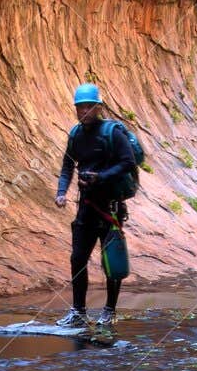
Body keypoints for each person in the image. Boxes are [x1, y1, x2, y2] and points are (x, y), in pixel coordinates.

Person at [54, 83, 137, 329]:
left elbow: (128, 163)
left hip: (111, 209)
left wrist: (101, 177)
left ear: (99, 107)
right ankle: (79, 311)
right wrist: (61, 192)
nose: (85, 111)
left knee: (111, 261)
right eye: (81, 107)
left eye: (90, 106)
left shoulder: (112, 133)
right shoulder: (76, 135)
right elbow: (68, 166)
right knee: (77, 258)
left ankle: (109, 312)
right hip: (86, 207)